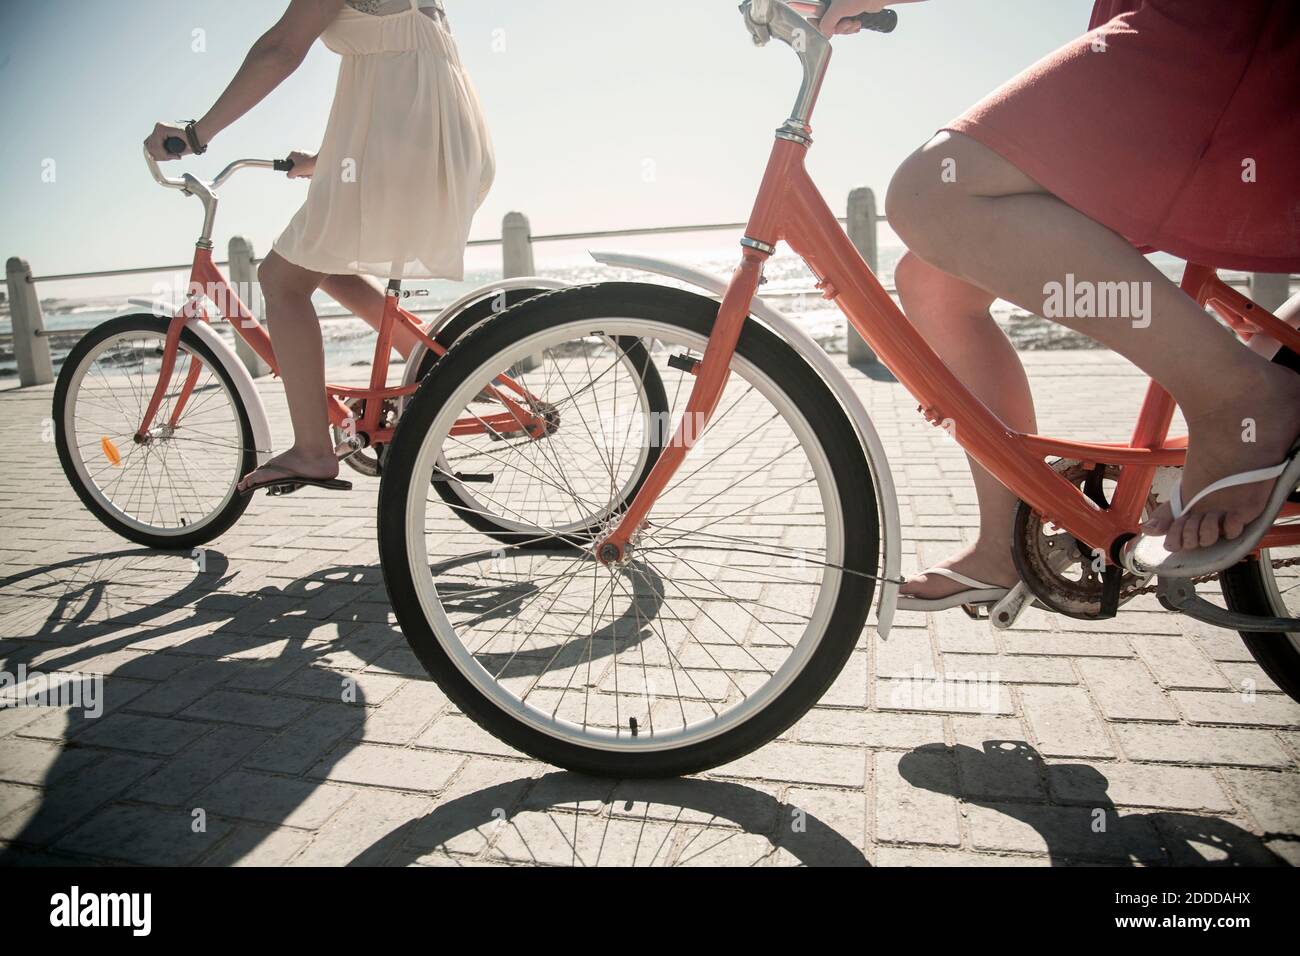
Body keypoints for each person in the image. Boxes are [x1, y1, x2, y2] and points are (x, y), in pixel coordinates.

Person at [819, 0, 1300, 609]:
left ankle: (1237, 396)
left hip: (1219, 30)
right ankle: (1006, 543)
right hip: (1186, 42)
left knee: (931, 192)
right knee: (932, 278)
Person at [144, 0, 494, 495]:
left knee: (280, 281)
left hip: (406, 147)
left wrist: (195, 134)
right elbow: (408, 69)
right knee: (322, 263)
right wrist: (327, 161)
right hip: (447, 142)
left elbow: (281, 48)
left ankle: (312, 451)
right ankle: (436, 363)